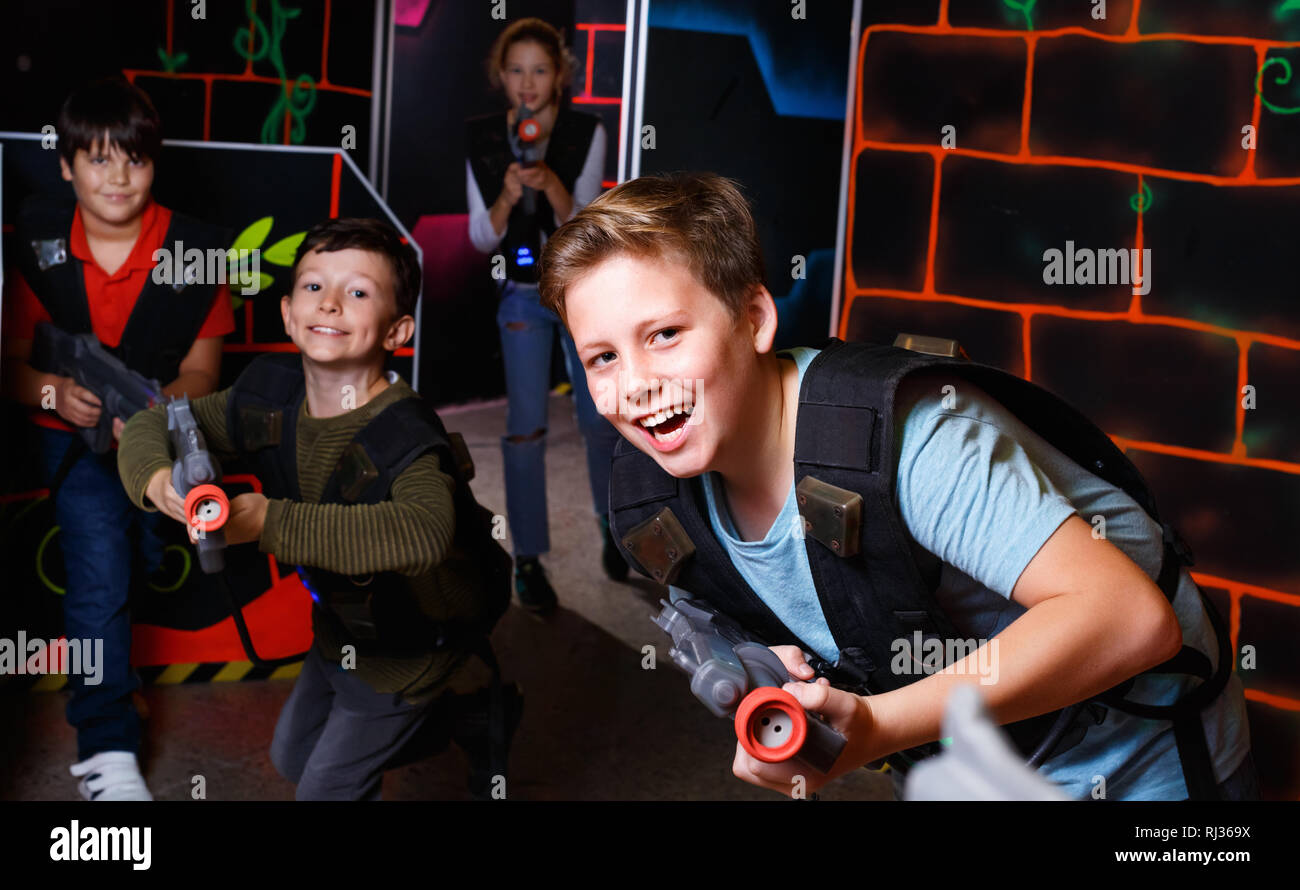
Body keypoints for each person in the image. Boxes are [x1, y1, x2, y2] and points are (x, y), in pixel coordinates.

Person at [537, 172, 1257, 801]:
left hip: (1130, 759)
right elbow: (737, 610)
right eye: (600, 356)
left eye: (664, 334)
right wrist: (765, 667)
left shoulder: (909, 443)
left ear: (753, 318)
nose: (633, 386)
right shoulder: (652, 497)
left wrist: (877, 727)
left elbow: (1131, 620)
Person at [117, 217, 511, 800]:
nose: (329, 303)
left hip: (411, 648)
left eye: (357, 292)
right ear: (286, 312)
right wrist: (157, 481)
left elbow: (425, 531)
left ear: (397, 330)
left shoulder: (404, 436)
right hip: (341, 631)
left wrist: (266, 521)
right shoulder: (271, 396)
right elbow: (156, 421)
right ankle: (474, 718)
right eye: (313, 287)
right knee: (291, 756)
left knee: (325, 790)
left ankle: (464, 710)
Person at [0, 77, 233, 801]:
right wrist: (51, 393)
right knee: (99, 574)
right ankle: (106, 747)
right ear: (65, 166)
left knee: (140, 557)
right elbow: (10, 363)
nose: (117, 177)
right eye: (96, 159)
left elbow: (203, 372)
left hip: (156, 439)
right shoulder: (36, 243)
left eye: (133, 158)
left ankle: (116, 682)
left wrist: (159, 412)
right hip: (71, 441)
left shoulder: (196, 253)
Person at [466, 17, 624, 616]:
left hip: (583, 293)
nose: (527, 83)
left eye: (539, 70)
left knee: (598, 417)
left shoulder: (587, 130)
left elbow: (586, 227)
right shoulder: (483, 139)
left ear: (560, 75)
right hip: (521, 294)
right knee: (525, 425)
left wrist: (552, 184)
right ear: (500, 77)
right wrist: (508, 192)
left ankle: (612, 529)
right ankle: (528, 556)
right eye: (515, 71)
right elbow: (483, 238)